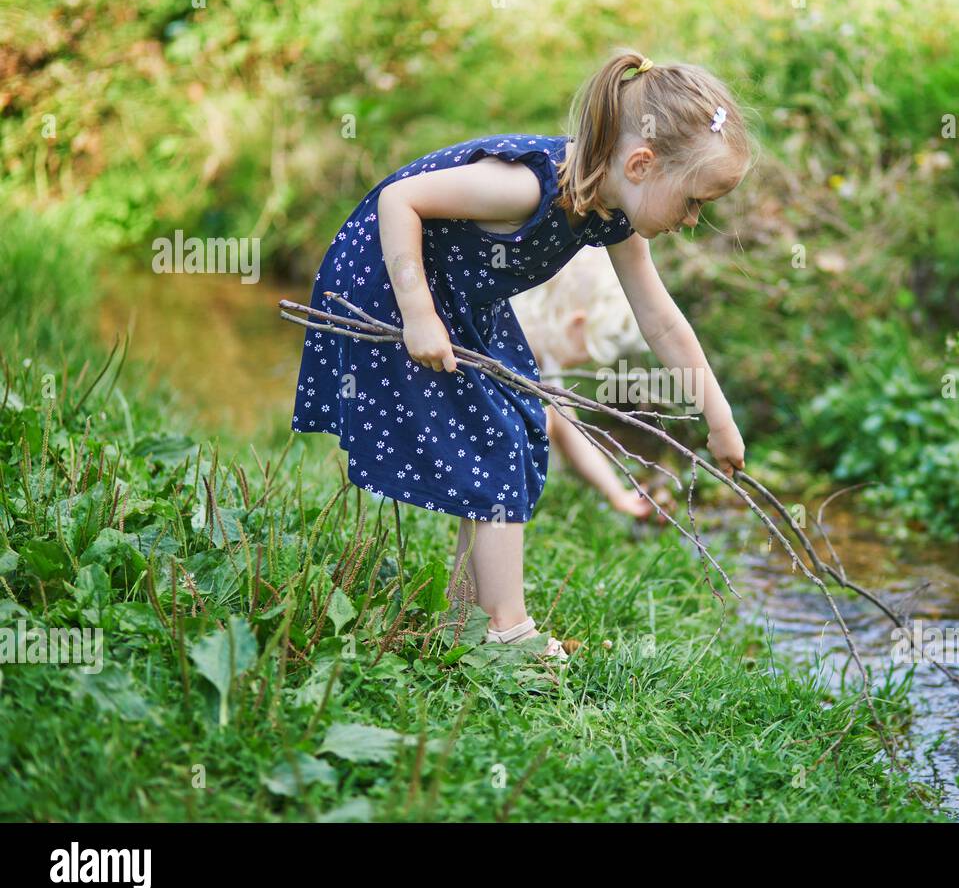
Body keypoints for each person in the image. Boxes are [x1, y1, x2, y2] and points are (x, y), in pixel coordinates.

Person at [290, 49, 754, 660]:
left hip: (462, 299)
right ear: (641, 164)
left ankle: (461, 623)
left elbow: (661, 320)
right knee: (498, 441)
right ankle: (509, 628)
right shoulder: (526, 185)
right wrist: (418, 314)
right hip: (392, 281)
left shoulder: (614, 214)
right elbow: (398, 200)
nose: (694, 220)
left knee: (518, 427)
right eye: (694, 201)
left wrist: (719, 421)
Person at [511, 243, 659, 521]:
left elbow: (573, 431)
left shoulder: (548, 365)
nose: (586, 362)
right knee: (543, 417)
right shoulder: (503, 351)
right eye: (587, 353)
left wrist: (618, 494)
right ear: (576, 325)